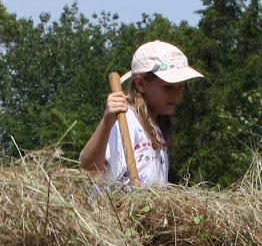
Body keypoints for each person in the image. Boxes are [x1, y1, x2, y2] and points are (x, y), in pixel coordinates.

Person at [79, 39, 204, 188]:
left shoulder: (158, 128)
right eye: (168, 87)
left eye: (180, 87)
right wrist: (107, 122)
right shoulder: (125, 119)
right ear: (141, 84)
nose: (177, 95)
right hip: (116, 208)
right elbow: (89, 168)